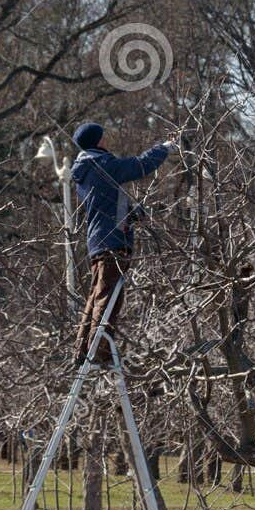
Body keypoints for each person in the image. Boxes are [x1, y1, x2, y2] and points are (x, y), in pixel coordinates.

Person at [70, 121, 176, 365]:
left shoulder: (85, 171)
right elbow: (140, 166)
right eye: (103, 137)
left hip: (98, 241)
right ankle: (100, 351)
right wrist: (166, 147)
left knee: (97, 295)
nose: (107, 139)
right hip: (113, 242)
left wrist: (134, 213)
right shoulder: (101, 164)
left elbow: (105, 204)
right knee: (109, 299)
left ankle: (82, 350)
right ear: (97, 141)